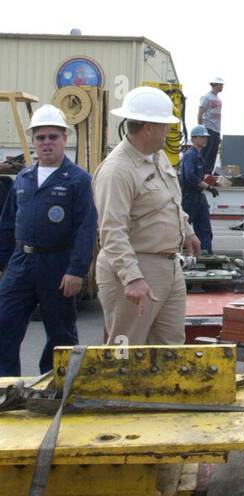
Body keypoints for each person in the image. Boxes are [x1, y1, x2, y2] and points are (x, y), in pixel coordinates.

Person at [92, 86, 200, 345]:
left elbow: (170, 201)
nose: (169, 132)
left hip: (168, 267)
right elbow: (111, 231)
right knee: (127, 351)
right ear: (149, 127)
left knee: (170, 349)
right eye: (165, 126)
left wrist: (187, 229)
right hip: (136, 268)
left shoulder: (157, 157)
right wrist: (133, 277)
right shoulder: (117, 171)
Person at [0, 105, 97, 377]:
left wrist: (76, 270)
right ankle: (6, 386)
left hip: (58, 265)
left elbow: (85, 228)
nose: (46, 143)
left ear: (65, 138)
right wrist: (3, 263)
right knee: (5, 325)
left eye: (52, 137)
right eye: (40, 138)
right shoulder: (23, 178)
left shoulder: (77, 180)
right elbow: (8, 223)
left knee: (61, 333)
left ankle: (53, 386)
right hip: (20, 263)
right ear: (33, 141)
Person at [179, 126, 214, 254]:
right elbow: (190, 176)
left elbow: (202, 176)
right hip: (189, 197)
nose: (205, 140)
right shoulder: (190, 155)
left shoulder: (199, 156)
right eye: (202, 137)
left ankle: (206, 256)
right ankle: (181, 255)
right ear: (194, 139)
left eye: (205, 137)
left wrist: (212, 183)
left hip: (199, 197)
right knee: (184, 230)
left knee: (205, 230)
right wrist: (207, 186)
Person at [197, 79, 223, 175]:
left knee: (212, 154)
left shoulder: (218, 99)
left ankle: (208, 176)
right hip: (208, 129)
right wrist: (201, 130)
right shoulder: (206, 97)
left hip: (216, 130)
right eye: (221, 84)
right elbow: (200, 113)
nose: (222, 87)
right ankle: (201, 175)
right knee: (206, 154)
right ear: (216, 85)